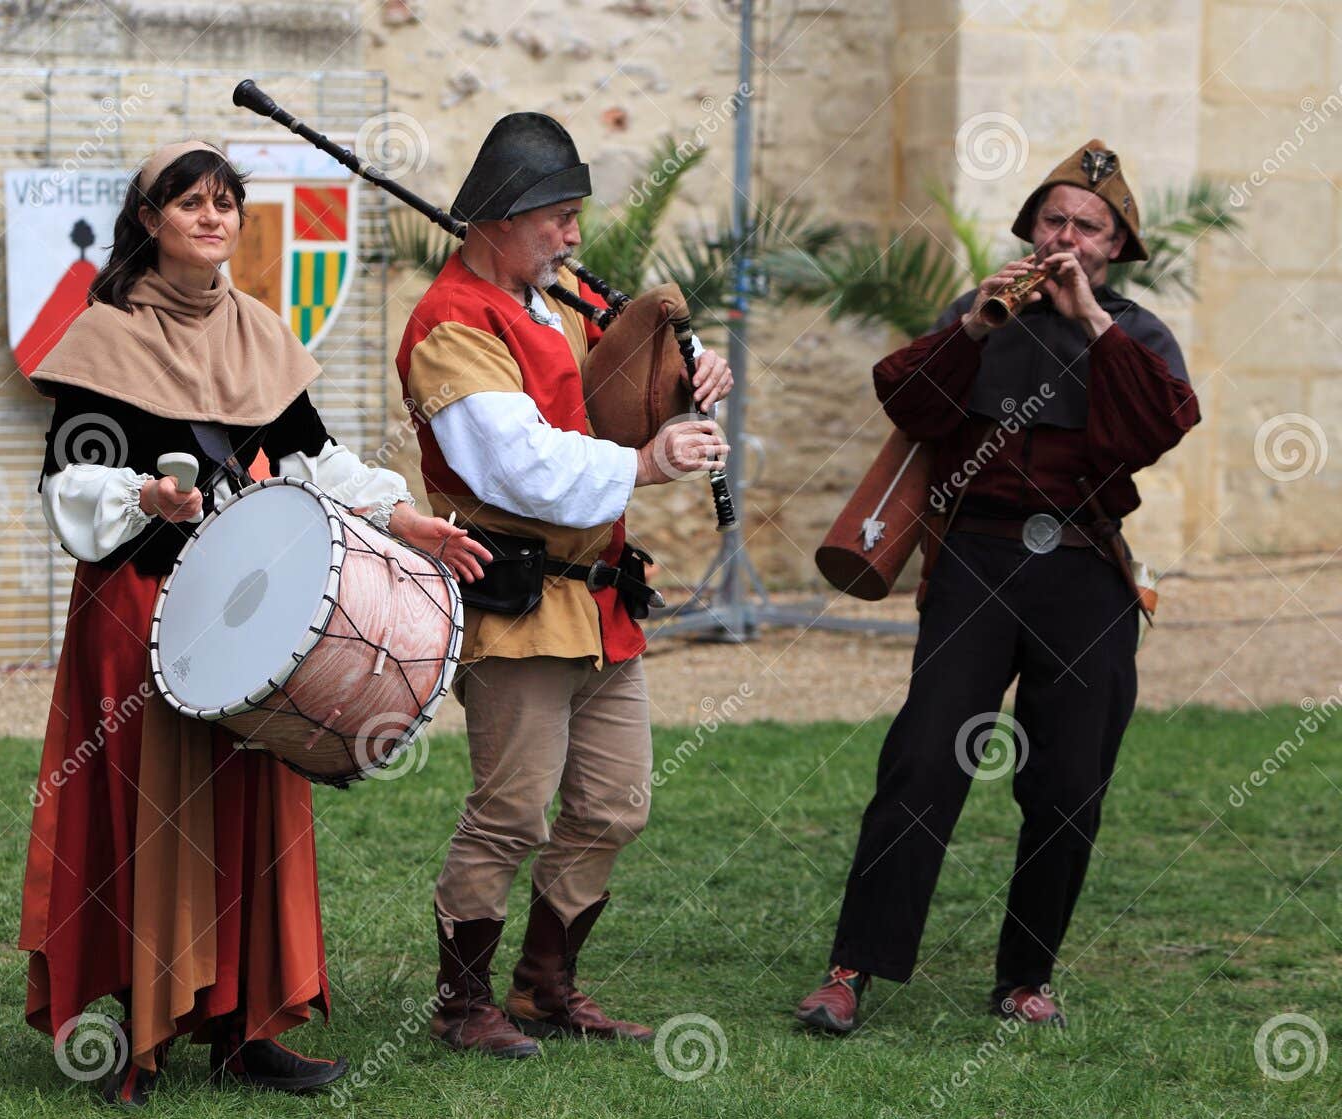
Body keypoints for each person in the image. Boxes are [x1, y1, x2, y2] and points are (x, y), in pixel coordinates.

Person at [18, 140, 488, 1106]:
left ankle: (249, 1026)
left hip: (248, 606)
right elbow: (69, 480)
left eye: (226, 203)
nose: (213, 218)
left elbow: (312, 459)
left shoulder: (258, 333)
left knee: (257, 805)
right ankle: (140, 1032)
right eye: (190, 203)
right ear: (149, 220)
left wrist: (403, 519)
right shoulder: (102, 337)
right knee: (152, 809)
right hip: (138, 601)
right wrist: (144, 495)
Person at [797, 139, 1200, 1034]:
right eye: (1053, 220)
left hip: (1086, 577)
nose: (1067, 236)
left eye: (1088, 227)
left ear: (1114, 246)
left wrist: (1090, 319)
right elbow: (908, 401)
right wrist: (975, 328)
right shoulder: (979, 313)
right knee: (922, 761)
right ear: (1030, 229)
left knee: (1066, 782)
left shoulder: (1134, 333)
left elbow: (1155, 428)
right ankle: (851, 970)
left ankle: (1024, 977)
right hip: (976, 562)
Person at [396, 113, 733, 1058]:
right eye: (558, 216)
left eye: (576, 215)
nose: (574, 235)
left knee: (617, 803)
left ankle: (545, 985)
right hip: (515, 596)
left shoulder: (561, 303)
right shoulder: (450, 325)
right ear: (499, 220)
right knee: (510, 813)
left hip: (602, 597)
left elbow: (621, 390)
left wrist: (689, 378)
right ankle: (462, 1003)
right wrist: (650, 463)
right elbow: (518, 468)